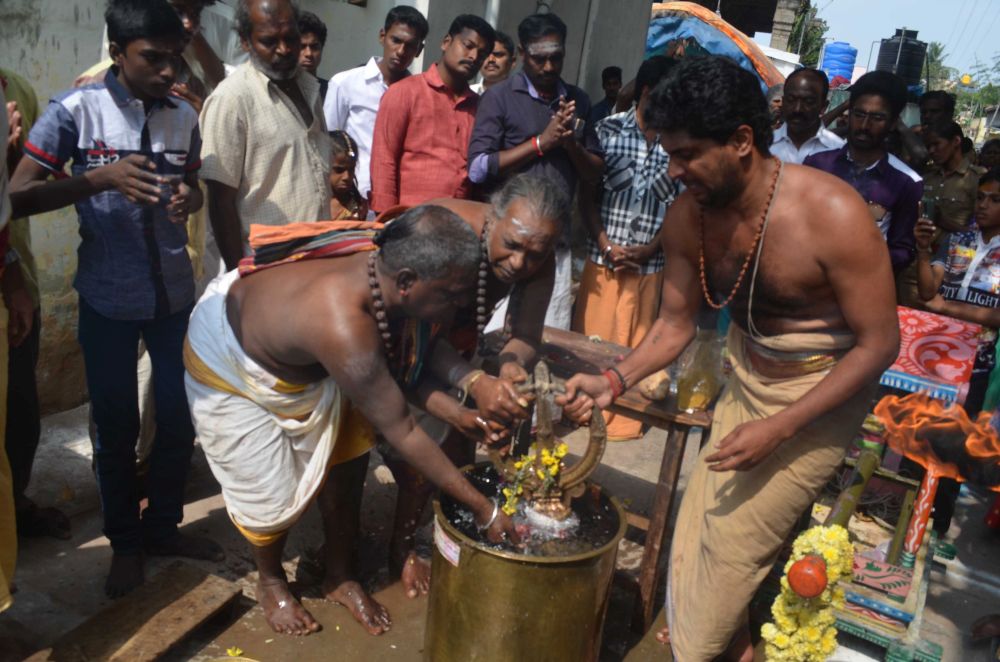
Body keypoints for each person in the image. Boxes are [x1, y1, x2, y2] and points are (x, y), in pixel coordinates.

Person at [557, 56, 899, 661]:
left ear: (742, 141)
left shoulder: (833, 213)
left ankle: (696, 644)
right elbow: (673, 325)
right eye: (667, 152)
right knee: (699, 532)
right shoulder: (687, 215)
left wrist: (780, 427)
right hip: (746, 381)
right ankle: (728, 645)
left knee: (734, 545)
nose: (674, 168)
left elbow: (879, 345)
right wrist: (613, 379)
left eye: (686, 154)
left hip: (820, 394)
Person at [184, 207, 520, 636]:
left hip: (305, 354)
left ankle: (339, 574)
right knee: (266, 494)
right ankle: (271, 581)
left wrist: (461, 412)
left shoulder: (385, 262)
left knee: (350, 454)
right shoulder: (343, 325)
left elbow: (400, 365)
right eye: (450, 296)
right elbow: (403, 428)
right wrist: (485, 510)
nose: (453, 308)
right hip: (234, 365)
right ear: (406, 283)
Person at [10, 0, 223, 598]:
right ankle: (124, 543)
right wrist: (98, 178)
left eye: (174, 58)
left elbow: (197, 189)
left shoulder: (184, 114)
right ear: (117, 52)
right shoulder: (75, 111)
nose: (167, 71)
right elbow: (16, 195)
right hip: (107, 298)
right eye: (152, 59)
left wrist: (188, 196)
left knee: (179, 421)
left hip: (173, 296)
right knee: (114, 426)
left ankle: (162, 529)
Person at [372, 174, 563, 597]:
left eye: (534, 254)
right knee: (416, 448)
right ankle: (401, 548)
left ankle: (455, 526)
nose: (518, 264)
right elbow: (416, 339)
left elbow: (526, 335)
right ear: (493, 217)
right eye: (511, 246)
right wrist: (474, 380)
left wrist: (510, 368)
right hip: (400, 341)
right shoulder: (452, 232)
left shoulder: (536, 256)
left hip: (453, 346)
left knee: (460, 447)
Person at [468, 12, 604, 330]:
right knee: (491, 336)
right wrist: (542, 142)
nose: (548, 67)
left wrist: (569, 143)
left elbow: (594, 172)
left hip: (552, 246)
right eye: (539, 58)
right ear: (522, 53)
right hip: (507, 244)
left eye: (556, 58)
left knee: (543, 337)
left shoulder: (576, 100)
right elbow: (477, 169)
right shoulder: (498, 97)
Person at [574, 56, 679, 441]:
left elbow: (680, 208)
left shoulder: (678, 145)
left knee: (636, 348)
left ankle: (626, 421)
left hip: (650, 267)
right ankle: (584, 411)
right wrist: (605, 243)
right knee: (591, 345)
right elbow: (586, 197)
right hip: (603, 262)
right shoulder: (606, 132)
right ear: (647, 93)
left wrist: (651, 248)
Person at [200, 0, 333, 271]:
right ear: (246, 42)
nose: (283, 50)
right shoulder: (231, 99)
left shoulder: (309, 88)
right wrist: (241, 275)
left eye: (290, 38)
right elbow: (220, 201)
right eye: (269, 41)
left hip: (317, 257)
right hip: (265, 267)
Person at [1, 68, 70, 541]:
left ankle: (13, 506)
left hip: (14, 273)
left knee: (21, 408)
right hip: (11, 276)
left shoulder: (14, 87)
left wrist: (12, 159)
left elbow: (31, 183)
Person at [914, 167, 1000, 538]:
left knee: (951, 452)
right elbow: (928, 290)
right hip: (935, 358)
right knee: (915, 440)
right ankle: (901, 516)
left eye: (995, 200)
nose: (983, 205)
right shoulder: (960, 237)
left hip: (974, 369)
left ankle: (936, 528)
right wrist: (922, 251)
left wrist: (947, 308)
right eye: (981, 197)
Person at [369, 15, 494, 211]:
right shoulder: (405, 92)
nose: (474, 56)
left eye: (482, 53)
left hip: (459, 223)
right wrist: (386, 218)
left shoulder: (479, 107)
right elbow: (384, 159)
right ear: (446, 42)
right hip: (409, 222)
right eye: (468, 46)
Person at [804, 71, 922, 275]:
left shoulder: (907, 182)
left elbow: (902, 250)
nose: (865, 126)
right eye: (859, 114)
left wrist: (862, 264)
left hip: (862, 288)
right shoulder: (817, 164)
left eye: (877, 118)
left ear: (894, 123)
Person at [323, 6, 428, 202]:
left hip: (399, 199)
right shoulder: (345, 83)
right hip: (353, 196)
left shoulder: (420, 95)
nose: (401, 51)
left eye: (410, 45)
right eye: (396, 40)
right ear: (382, 36)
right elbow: (328, 143)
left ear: (419, 50)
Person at [770, 68, 844, 164]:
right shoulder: (763, 146)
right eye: (791, 100)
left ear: (823, 106)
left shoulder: (837, 151)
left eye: (808, 102)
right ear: (783, 101)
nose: (797, 109)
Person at [328, 130, 368, 220]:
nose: (347, 176)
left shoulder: (358, 206)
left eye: (351, 169)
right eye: (339, 170)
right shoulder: (313, 204)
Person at [470, 30, 516, 95]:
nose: (491, 59)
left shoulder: (520, 99)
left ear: (512, 61)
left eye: (498, 55)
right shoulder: (466, 95)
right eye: (485, 54)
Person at [298, 10, 328, 100]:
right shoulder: (279, 91)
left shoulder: (331, 91)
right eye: (302, 47)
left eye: (314, 47)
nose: (308, 53)